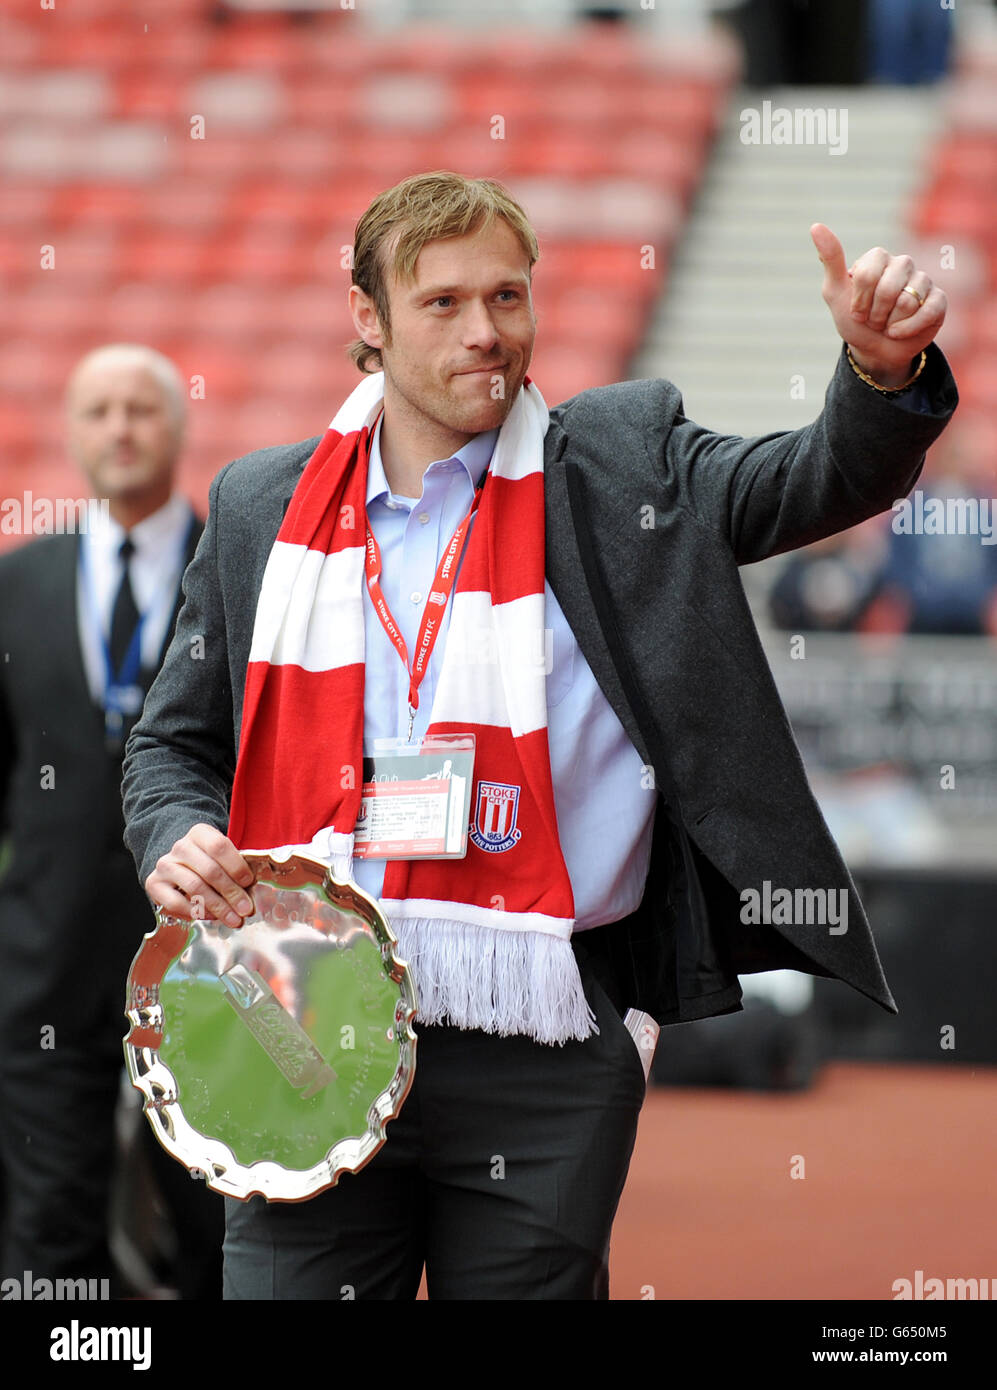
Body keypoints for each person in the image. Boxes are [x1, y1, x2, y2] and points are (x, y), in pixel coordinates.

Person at [121, 172, 957, 1300]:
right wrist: (173, 832)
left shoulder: (621, 463)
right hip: (295, 1020)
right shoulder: (260, 505)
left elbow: (808, 480)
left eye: (508, 297)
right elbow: (173, 744)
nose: (486, 332)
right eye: (444, 303)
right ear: (367, 318)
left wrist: (877, 372)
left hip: (547, 1039)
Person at [0, 344, 218, 1295]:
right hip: (45, 956)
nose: (121, 428)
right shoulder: (18, 582)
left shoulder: (236, 570)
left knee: (216, 1195)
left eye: (141, 409)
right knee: (50, 1210)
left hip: (203, 950)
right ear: (74, 433)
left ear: (178, 425)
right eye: (99, 412)